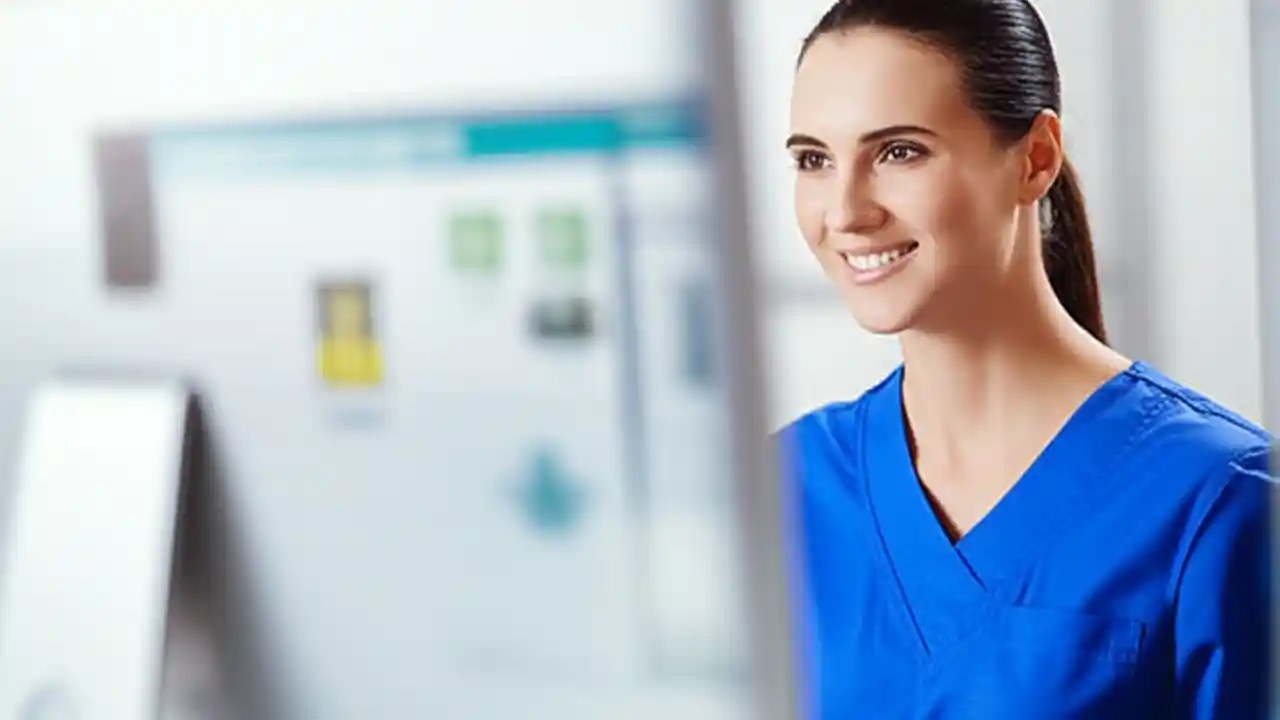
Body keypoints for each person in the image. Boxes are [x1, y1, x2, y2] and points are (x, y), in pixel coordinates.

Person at [776, 0, 1276, 717]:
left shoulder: (1220, 503)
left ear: (1035, 158)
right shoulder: (787, 486)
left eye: (899, 152)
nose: (846, 210)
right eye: (814, 159)